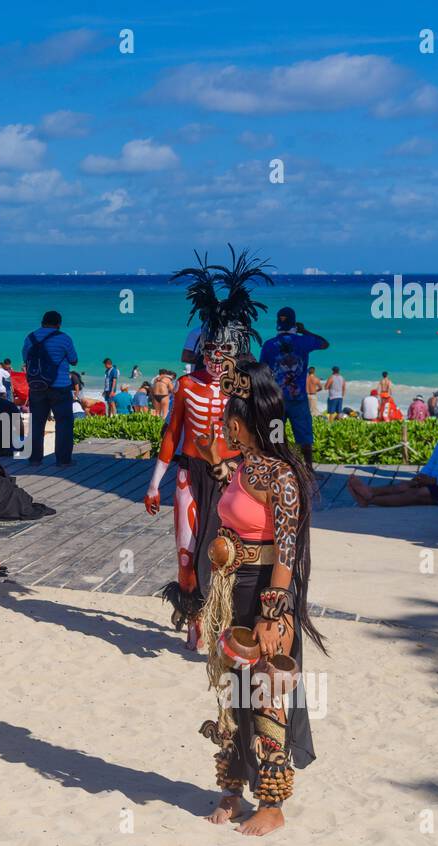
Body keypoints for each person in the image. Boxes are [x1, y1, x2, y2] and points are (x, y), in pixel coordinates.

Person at [197, 355, 324, 837]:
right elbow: (228, 504)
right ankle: (233, 788)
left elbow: (286, 551)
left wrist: (274, 611)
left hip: (267, 595)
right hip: (230, 592)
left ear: (249, 424)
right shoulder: (238, 468)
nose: (226, 425)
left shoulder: (281, 477)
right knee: (232, 693)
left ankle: (271, 804)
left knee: (268, 693)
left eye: (232, 418)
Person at [146, 249, 266, 651]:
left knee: (223, 552)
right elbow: (172, 433)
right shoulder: (185, 387)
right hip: (189, 473)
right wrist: (153, 484)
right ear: (203, 350)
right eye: (212, 352)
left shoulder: (243, 390)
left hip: (230, 476)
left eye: (224, 353)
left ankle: (221, 620)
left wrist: (258, 477)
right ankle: (193, 615)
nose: (217, 360)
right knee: (185, 551)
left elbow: (258, 438)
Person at [348, 408, 438, 507]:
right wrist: (420, 477)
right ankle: (371, 492)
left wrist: (435, 481)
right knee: (404, 486)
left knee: (418, 493)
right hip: (433, 482)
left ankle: (370, 500)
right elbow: (431, 465)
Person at [258, 306, 328, 469]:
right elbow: (325, 344)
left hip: (276, 399)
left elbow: (263, 370)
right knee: (304, 435)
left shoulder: (269, 345)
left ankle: (276, 467)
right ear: (294, 323)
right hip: (298, 398)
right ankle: (309, 468)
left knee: (275, 435)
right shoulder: (304, 341)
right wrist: (306, 331)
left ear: (277, 323)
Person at [22, 309, 78, 466]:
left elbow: (25, 358)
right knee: (64, 423)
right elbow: (74, 360)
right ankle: (63, 460)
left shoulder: (30, 338)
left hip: (36, 386)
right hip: (60, 386)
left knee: (37, 423)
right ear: (59, 324)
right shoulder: (64, 338)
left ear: (42, 322)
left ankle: (34, 459)